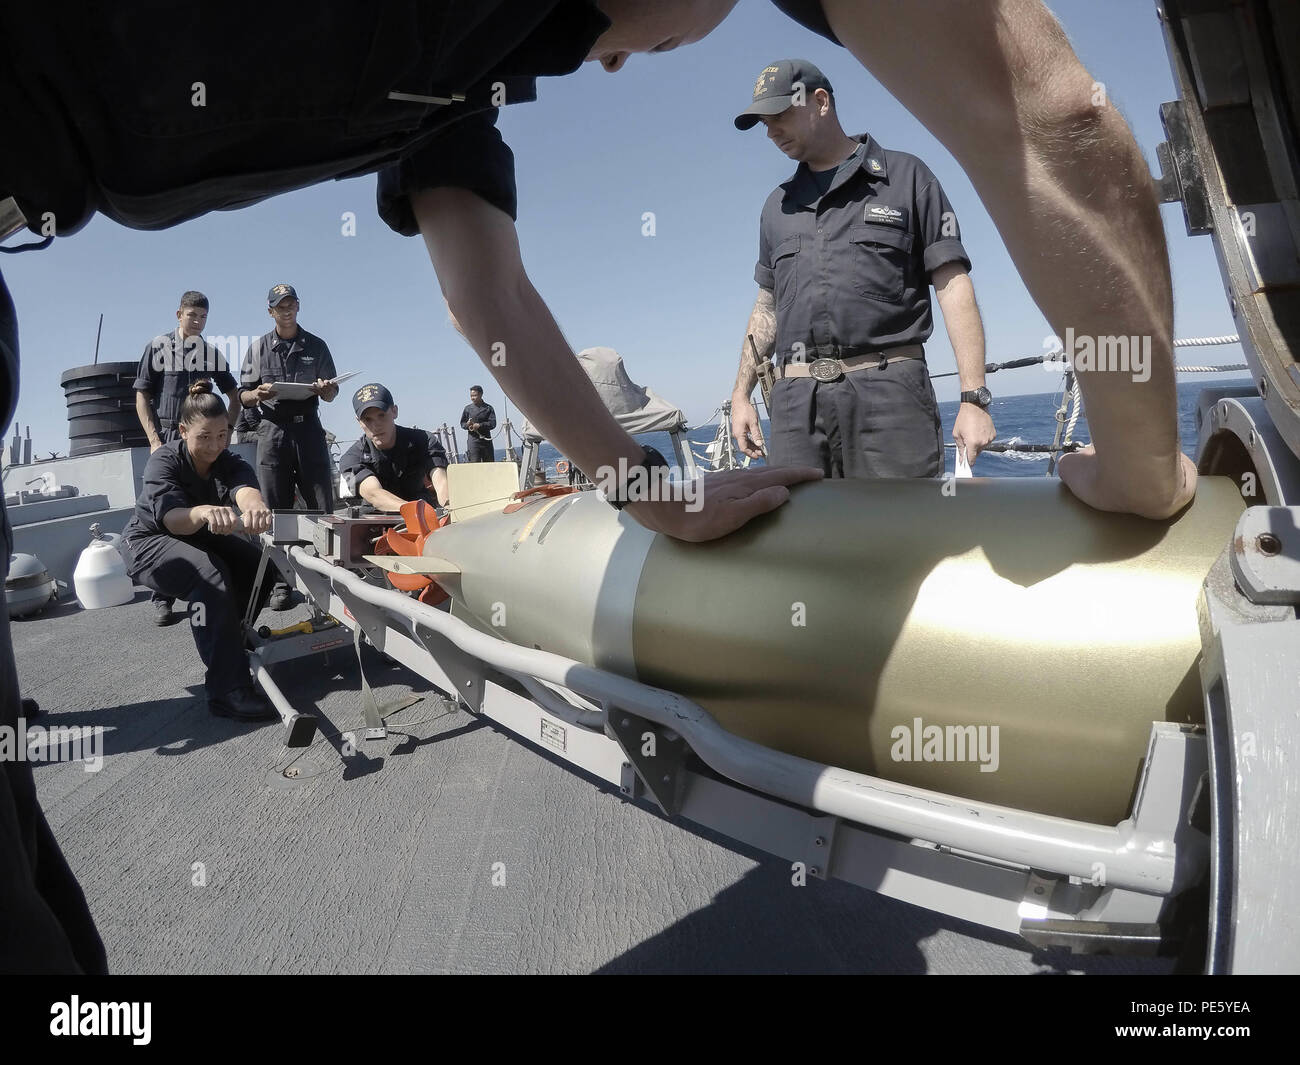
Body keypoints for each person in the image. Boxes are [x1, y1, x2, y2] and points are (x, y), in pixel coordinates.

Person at [0, 0, 1198, 972]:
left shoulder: (475, 76)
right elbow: (1051, 106)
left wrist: (650, 492)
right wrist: (1147, 462)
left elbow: (496, 303)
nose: (620, 71)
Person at [729, 59, 996, 479]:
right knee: (805, 539)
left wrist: (974, 397)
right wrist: (741, 395)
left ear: (820, 102)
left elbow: (952, 283)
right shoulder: (775, 207)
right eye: (764, 122)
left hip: (891, 398)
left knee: (904, 539)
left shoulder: (907, 177)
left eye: (780, 115)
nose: (771, 131)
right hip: (796, 408)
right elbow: (767, 306)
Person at [120, 380, 277, 722]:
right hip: (148, 540)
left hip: (195, 534)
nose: (214, 445)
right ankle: (225, 690)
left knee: (259, 563)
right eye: (204, 436)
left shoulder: (227, 459)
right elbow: (174, 520)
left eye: (222, 435)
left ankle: (230, 640)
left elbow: (246, 490)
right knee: (209, 574)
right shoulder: (164, 460)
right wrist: (204, 512)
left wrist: (255, 508)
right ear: (182, 431)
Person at [133, 290, 241, 626]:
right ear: (178, 314)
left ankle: (205, 583)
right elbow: (142, 395)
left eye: (203, 317)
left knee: (197, 509)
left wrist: (227, 430)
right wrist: (154, 441)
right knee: (163, 510)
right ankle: (161, 595)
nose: (197, 322)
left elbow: (234, 394)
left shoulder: (210, 354)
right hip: (167, 438)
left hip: (201, 443)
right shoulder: (157, 348)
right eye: (192, 315)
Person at [239, 283, 340, 610]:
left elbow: (332, 392)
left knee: (322, 506)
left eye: (291, 304)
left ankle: (333, 576)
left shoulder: (317, 345)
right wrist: (258, 395)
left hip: (308, 429)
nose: (286, 310)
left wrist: (326, 390)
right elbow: (243, 395)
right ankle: (282, 584)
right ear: (271, 312)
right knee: (275, 510)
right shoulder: (257, 350)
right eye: (280, 306)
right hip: (273, 432)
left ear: (298, 307)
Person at [340, 383, 450, 511]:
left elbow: (441, 480)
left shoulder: (424, 441)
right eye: (367, 419)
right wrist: (416, 513)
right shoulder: (351, 459)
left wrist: (448, 508)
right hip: (377, 521)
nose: (376, 425)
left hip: (425, 512)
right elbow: (374, 494)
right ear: (359, 422)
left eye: (381, 415)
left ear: (394, 411)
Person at [460, 386, 497, 463]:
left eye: (475, 395)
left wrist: (480, 425)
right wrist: (467, 425)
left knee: (489, 464)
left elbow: (493, 424)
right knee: (474, 464)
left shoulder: (488, 408)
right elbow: (462, 424)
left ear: (481, 394)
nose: (472, 398)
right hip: (473, 441)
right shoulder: (468, 409)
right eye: (471, 396)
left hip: (486, 440)